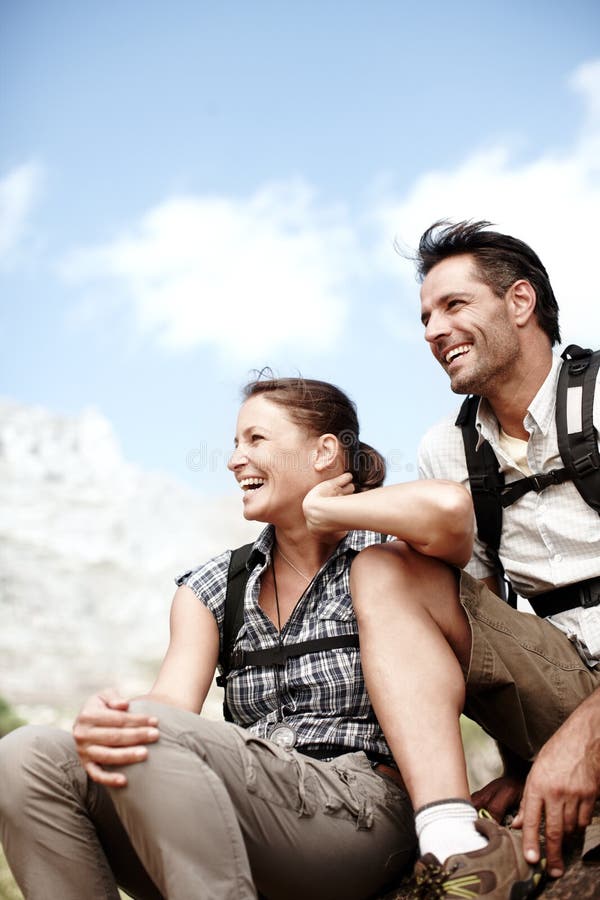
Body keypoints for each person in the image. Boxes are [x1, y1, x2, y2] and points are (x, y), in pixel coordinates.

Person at [0, 376, 474, 900]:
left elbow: (451, 511)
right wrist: (113, 720)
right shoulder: (211, 587)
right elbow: (169, 706)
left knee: (152, 732)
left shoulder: (393, 554)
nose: (233, 460)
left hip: (362, 808)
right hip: (242, 809)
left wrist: (328, 512)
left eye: (256, 439)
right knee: (27, 757)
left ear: (323, 452)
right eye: (234, 443)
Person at [350, 220, 600, 898]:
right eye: (425, 317)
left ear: (520, 302)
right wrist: (523, 762)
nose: (434, 330)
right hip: (564, 677)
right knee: (384, 567)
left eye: (453, 305)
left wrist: (583, 739)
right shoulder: (448, 450)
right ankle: (448, 833)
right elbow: (487, 630)